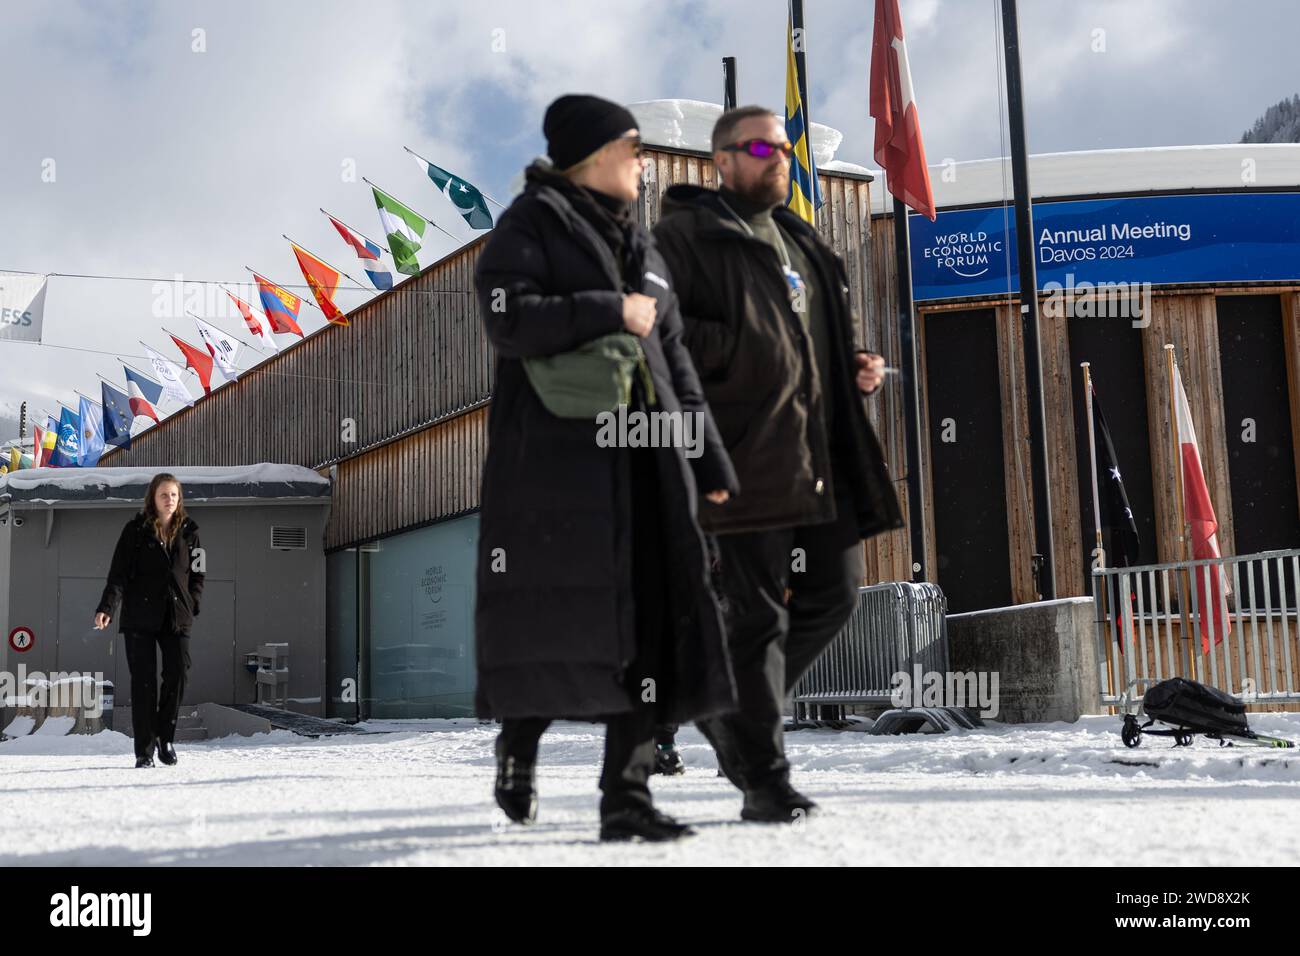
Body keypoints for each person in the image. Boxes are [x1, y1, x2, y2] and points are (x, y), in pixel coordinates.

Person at [473, 94, 741, 842]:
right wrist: (606, 309)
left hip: (647, 463)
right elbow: (506, 314)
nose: (643, 164)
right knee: (551, 621)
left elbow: (676, 359)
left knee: (650, 622)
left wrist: (708, 455)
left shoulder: (645, 248)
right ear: (594, 156)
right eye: (633, 149)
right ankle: (516, 747)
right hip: (554, 469)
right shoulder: (530, 224)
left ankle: (625, 799)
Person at [653, 106, 904, 822]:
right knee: (757, 620)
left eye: (785, 148)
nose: (780, 158)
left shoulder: (800, 237)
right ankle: (766, 782)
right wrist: (742, 350)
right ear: (722, 160)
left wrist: (848, 365)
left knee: (835, 593)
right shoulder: (682, 237)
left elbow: (809, 338)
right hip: (737, 455)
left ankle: (726, 706)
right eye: (763, 146)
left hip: (817, 453)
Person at [93, 473, 205, 768]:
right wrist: (107, 607)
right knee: (144, 685)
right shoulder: (134, 531)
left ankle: (165, 738)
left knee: (178, 675)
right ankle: (144, 751)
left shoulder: (191, 532)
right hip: (139, 617)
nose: (170, 500)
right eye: (164, 495)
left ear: (180, 499)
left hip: (177, 616)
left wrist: (193, 602)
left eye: (174, 495)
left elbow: (199, 573)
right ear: (152, 499)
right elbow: (118, 573)